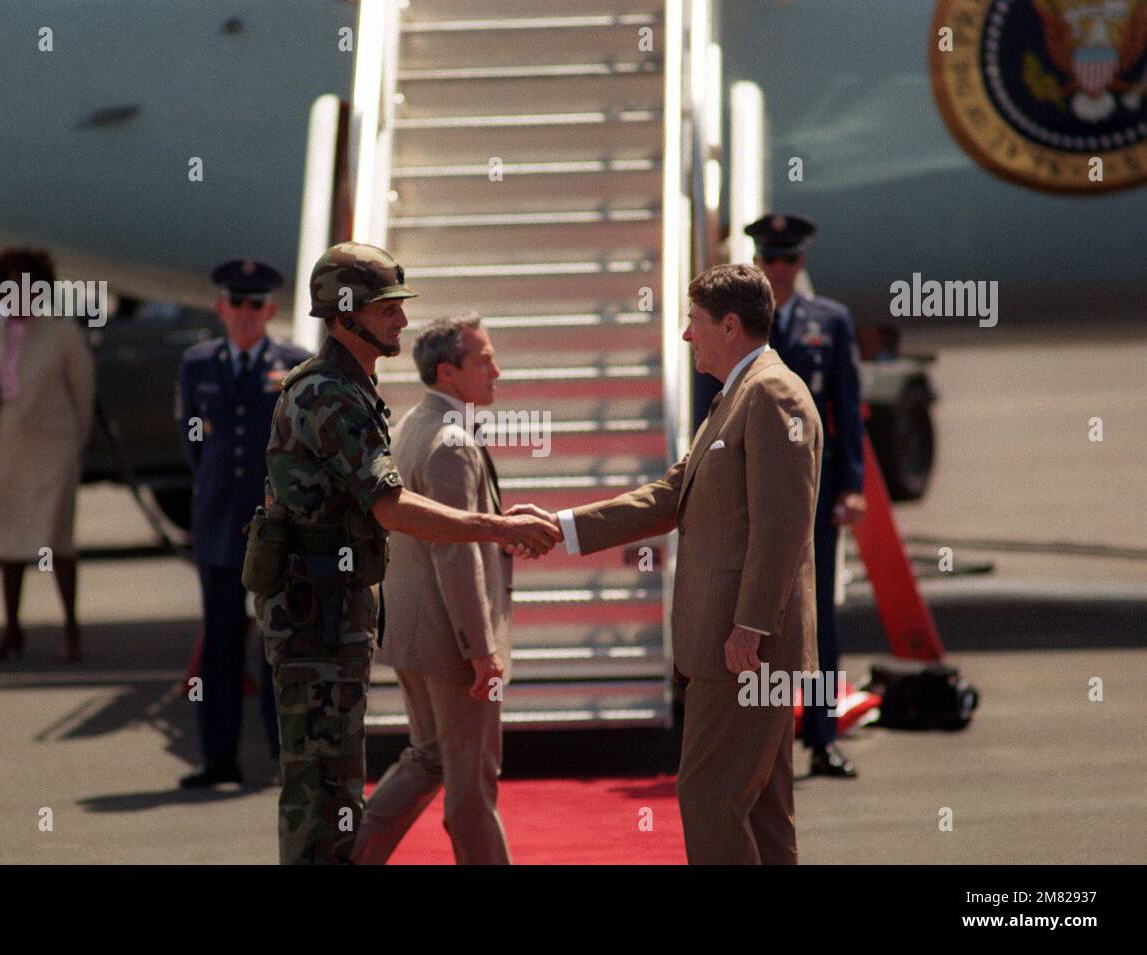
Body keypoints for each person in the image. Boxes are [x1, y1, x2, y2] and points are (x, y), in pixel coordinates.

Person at [254, 241, 560, 865]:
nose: (399, 321)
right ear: (345, 315)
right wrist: (494, 528)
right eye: (384, 308)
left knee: (337, 783)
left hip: (330, 608)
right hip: (316, 614)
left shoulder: (350, 387)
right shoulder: (331, 394)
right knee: (321, 790)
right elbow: (390, 507)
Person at [515, 263, 821, 864]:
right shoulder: (737, 394)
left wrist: (751, 625)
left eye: (694, 322)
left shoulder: (771, 392)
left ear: (730, 325)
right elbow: (667, 496)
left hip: (743, 648)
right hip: (740, 644)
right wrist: (561, 528)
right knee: (759, 811)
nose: (686, 335)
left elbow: (783, 526)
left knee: (710, 798)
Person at [354, 313, 513, 866]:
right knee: (472, 785)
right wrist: (482, 651)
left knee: (430, 759)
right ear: (448, 373)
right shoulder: (451, 442)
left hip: (414, 632)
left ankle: (352, 855)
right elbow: (455, 550)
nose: (497, 370)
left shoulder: (413, 425)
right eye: (485, 359)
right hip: (451, 643)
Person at [174, 258, 311, 788]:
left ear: (271, 310)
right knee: (220, 647)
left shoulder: (293, 364)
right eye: (237, 303)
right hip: (218, 523)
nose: (246, 313)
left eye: (257, 304)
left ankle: (283, 758)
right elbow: (193, 441)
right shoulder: (198, 364)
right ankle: (218, 758)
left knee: (276, 647)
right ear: (221, 307)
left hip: (273, 525)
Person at [748, 212, 865, 778]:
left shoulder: (830, 320)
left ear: (801, 263)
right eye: (768, 259)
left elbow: (847, 410)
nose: (778, 271)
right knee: (753, 613)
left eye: (787, 259)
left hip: (815, 490)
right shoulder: (736, 322)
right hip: (754, 489)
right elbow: (709, 408)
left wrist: (854, 486)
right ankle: (760, 740)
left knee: (817, 616)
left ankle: (822, 736)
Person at [0, 248, 95, 661]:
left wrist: (73, 440)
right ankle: (11, 627)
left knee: (57, 539)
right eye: (9, 286)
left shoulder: (62, 333)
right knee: (7, 542)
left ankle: (72, 629)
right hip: (3, 447)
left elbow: (83, 394)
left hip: (50, 446)